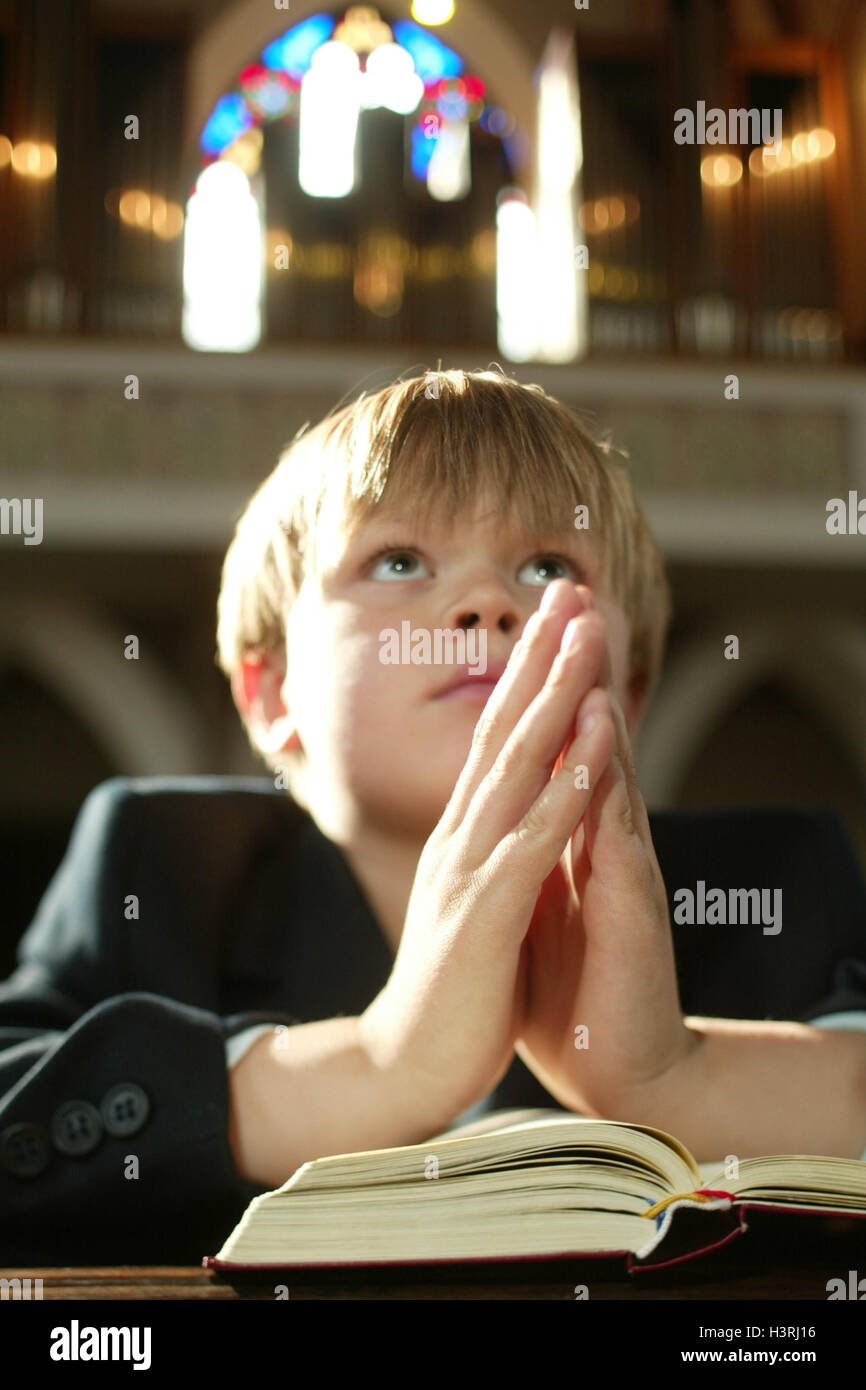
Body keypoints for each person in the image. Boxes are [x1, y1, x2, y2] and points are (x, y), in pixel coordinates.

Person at [2, 368, 865, 1265]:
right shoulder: (160, 863)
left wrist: (677, 1075)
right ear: (270, 691)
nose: (487, 605)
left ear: (631, 692)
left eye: (547, 567)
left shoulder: (777, 873)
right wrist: (375, 1067)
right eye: (399, 561)